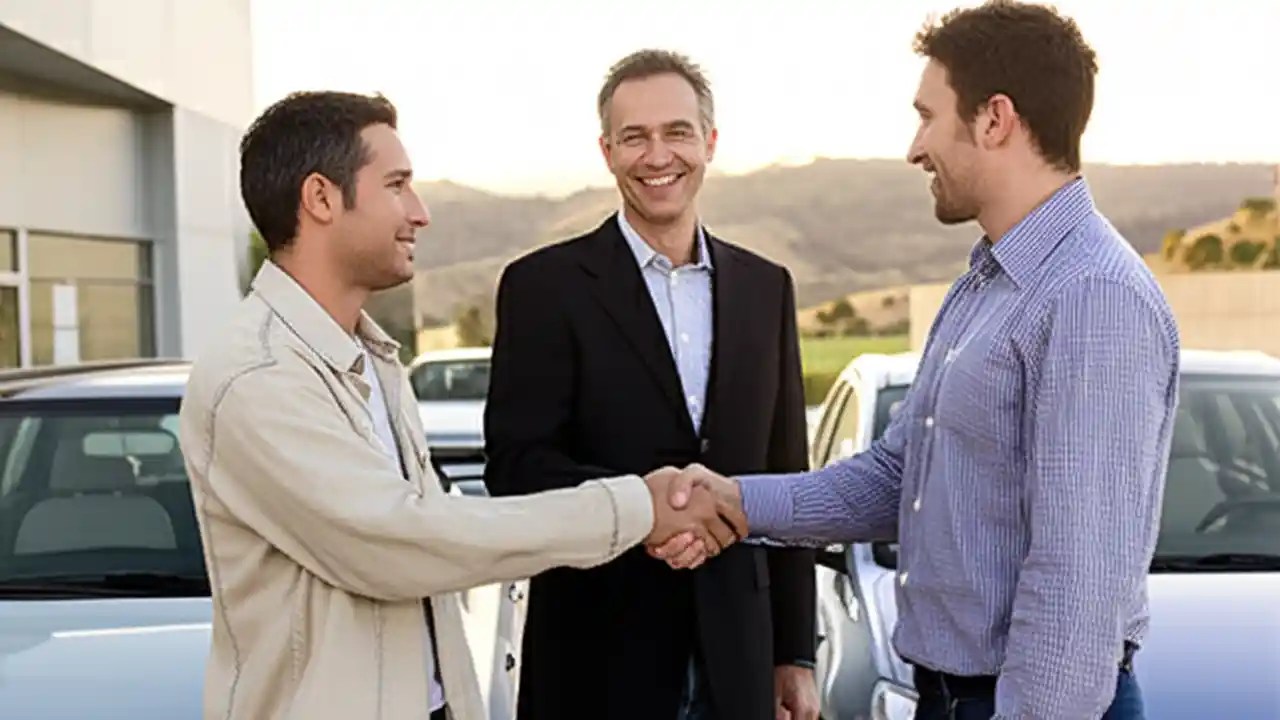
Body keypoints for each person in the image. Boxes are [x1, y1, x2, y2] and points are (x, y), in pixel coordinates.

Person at [652, 3, 1180, 719]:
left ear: (995, 119)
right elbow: (899, 476)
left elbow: (1076, 586)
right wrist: (738, 503)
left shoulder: (1093, 297)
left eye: (928, 115)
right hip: (950, 697)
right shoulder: (986, 285)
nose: (915, 147)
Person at [177, 90, 746, 720]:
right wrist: (636, 506)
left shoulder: (369, 359)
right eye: (397, 185)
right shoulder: (258, 378)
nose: (419, 213)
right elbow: (401, 543)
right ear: (320, 198)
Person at [482, 49, 819, 720]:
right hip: (596, 659)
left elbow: (788, 474)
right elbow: (517, 469)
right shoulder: (542, 288)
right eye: (634, 137)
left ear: (709, 142)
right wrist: (643, 510)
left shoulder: (765, 287)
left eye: (676, 132)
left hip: (739, 661)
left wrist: (795, 652)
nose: (656, 155)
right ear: (607, 151)